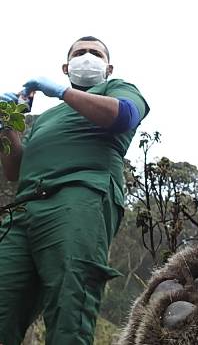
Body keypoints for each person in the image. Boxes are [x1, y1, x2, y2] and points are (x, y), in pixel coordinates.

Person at [0, 36, 149, 345]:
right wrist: (7, 125)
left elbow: (123, 116)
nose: (87, 57)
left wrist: (61, 92)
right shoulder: (46, 118)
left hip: (79, 197)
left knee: (71, 299)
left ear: (108, 68)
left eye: (95, 53)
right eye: (79, 53)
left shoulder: (118, 89)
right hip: (24, 210)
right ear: (66, 67)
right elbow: (15, 170)